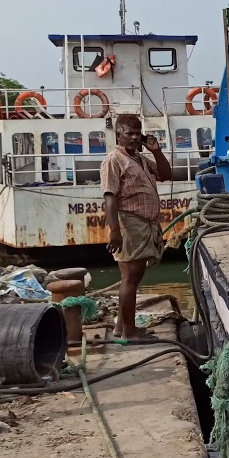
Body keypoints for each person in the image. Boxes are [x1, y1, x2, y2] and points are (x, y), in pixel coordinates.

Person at [101, 114, 172, 337]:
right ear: (118, 134)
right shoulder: (114, 160)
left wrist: (156, 151)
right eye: (128, 133)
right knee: (131, 277)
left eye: (136, 133)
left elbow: (166, 174)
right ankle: (129, 332)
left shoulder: (140, 158)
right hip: (130, 224)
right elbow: (110, 197)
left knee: (133, 277)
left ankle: (121, 327)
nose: (133, 137)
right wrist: (114, 231)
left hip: (144, 224)